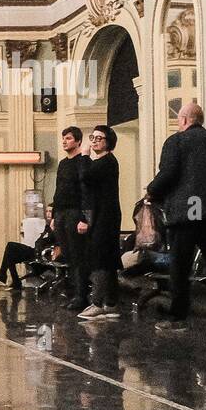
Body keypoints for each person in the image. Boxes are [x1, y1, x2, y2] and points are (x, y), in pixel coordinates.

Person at [146, 102, 206, 333]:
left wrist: (152, 191)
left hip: (189, 211)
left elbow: (168, 174)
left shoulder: (176, 141)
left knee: (180, 265)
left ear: (183, 120)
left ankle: (178, 317)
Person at [77, 125, 122, 320]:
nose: (94, 141)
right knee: (108, 259)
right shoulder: (104, 162)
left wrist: (84, 156)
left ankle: (97, 303)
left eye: (98, 138)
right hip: (105, 215)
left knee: (100, 259)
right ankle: (111, 303)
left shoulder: (106, 162)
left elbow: (85, 177)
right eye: (92, 137)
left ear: (108, 142)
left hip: (105, 216)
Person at [52, 126, 91, 310]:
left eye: (68, 138)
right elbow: (58, 189)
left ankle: (81, 295)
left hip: (75, 212)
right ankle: (74, 292)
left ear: (77, 141)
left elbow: (86, 191)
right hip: (61, 212)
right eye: (63, 138)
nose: (64, 141)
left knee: (78, 255)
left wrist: (84, 217)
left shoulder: (82, 162)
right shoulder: (62, 163)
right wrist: (53, 214)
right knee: (67, 254)